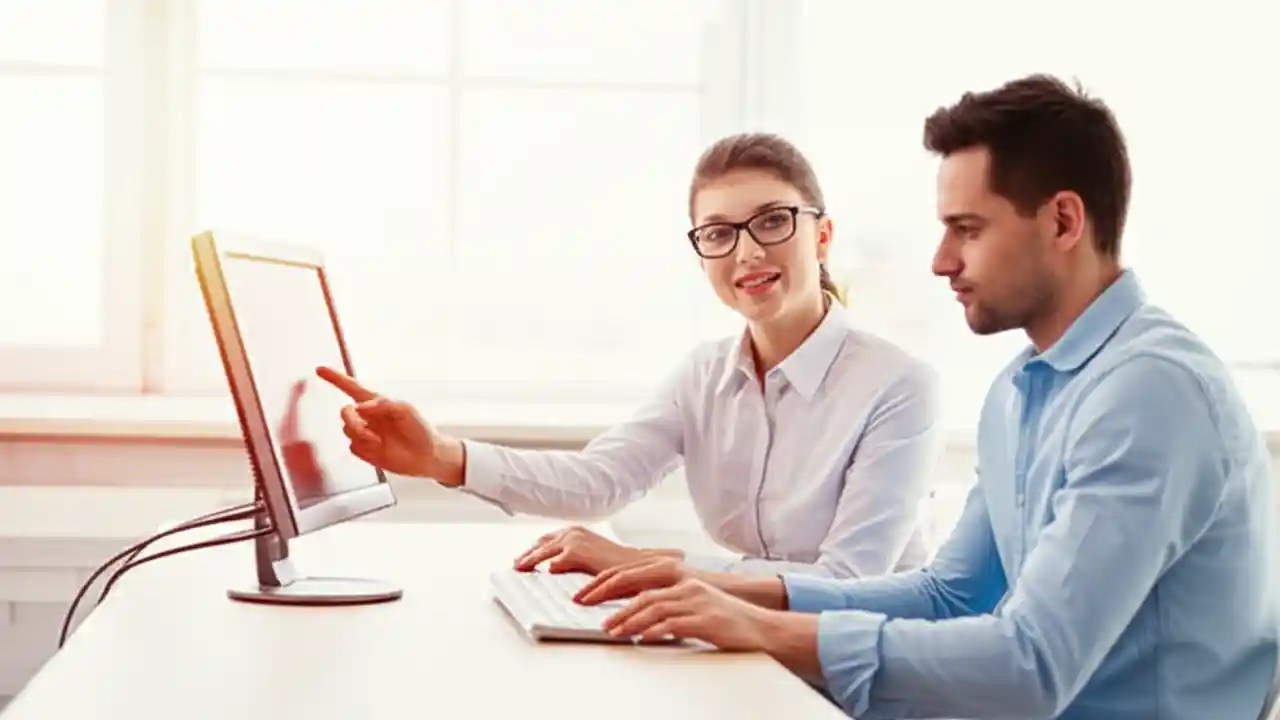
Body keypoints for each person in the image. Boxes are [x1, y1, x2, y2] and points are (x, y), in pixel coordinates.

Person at [573, 75, 1279, 719]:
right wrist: (703, 585)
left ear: (1064, 222)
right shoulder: (1021, 390)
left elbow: (1030, 667)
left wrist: (766, 627)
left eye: (966, 230)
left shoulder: (1149, 392)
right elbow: (949, 594)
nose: (941, 260)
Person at [318, 132, 943, 580]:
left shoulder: (898, 386)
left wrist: (655, 566)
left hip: (864, 674)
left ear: (822, 234)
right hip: (753, 646)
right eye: (720, 233)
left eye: (772, 221)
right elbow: (601, 481)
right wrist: (439, 457)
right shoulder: (705, 374)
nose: (747, 253)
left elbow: (848, 581)